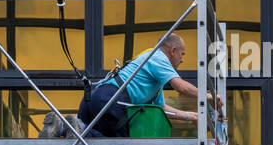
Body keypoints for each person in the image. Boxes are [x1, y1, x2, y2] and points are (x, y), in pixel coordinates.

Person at [76, 33, 222, 137]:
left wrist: (192, 116)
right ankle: (79, 129)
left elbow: (161, 108)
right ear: (173, 50)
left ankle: (69, 127)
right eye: (182, 54)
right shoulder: (158, 57)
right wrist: (209, 96)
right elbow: (181, 87)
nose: (182, 60)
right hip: (112, 100)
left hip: (96, 98)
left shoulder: (153, 73)